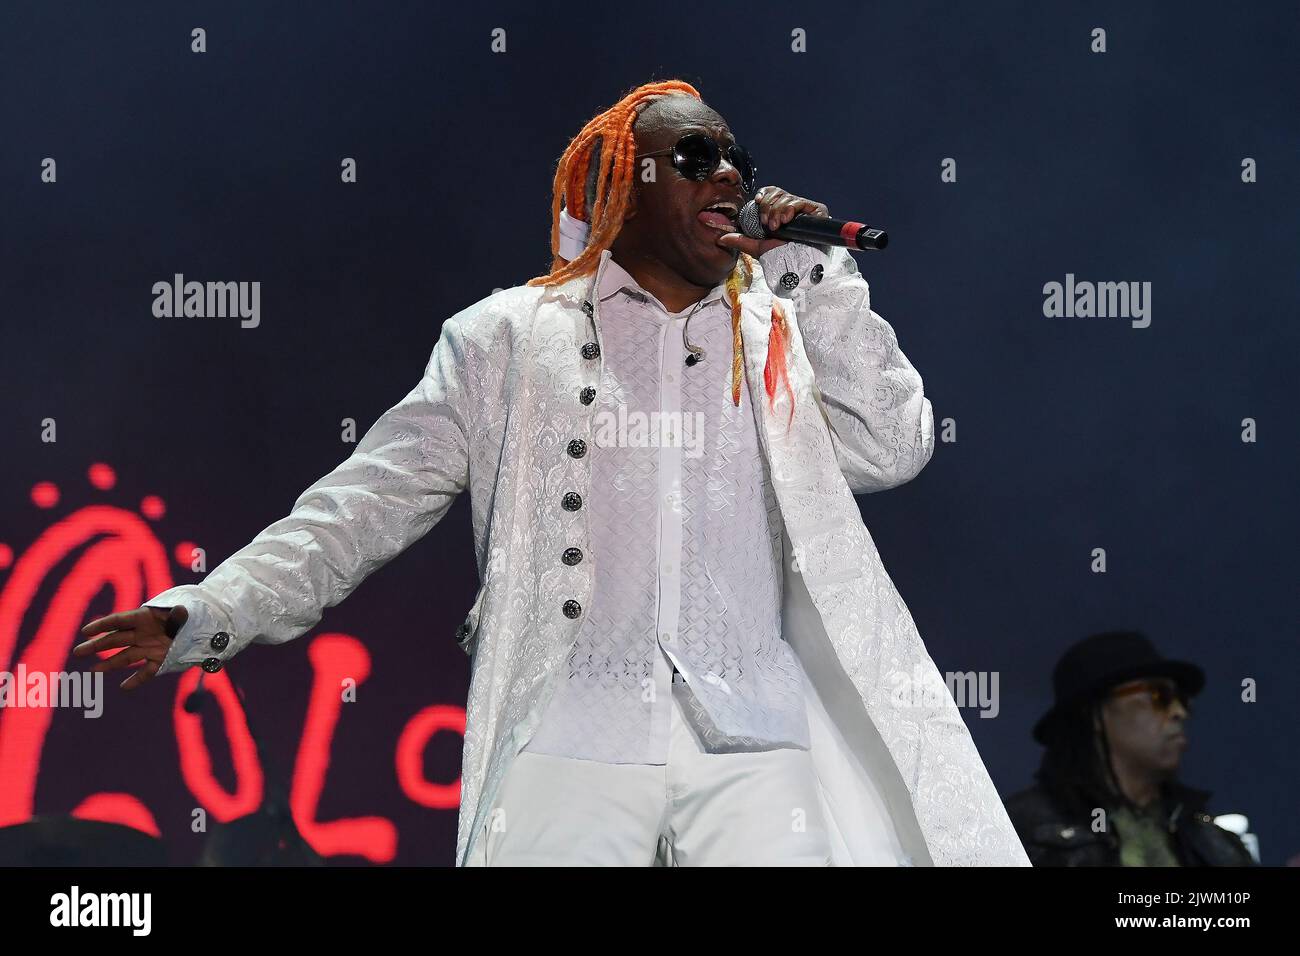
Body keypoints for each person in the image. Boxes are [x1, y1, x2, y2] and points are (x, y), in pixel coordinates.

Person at [75, 79, 1030, 867]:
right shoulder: (509, 339)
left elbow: (894, 445)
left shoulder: (773, 324)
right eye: (695, 157)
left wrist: (816, 282)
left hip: (755, 730)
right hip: (570, 726)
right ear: (623, 180)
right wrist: (213, 610)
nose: (729, 174)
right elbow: (362, 507)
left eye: (738, 159)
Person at [1005, 630, 1255, 866]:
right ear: (1094, 715)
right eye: (1159, 695)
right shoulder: (1019, 834)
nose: (1179, 712)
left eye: (1183, 700)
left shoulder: (1209, 839)